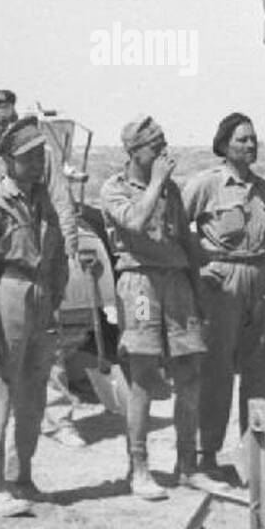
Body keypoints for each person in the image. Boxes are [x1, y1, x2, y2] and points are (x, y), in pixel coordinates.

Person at [0, 89, 88, 448]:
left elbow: (61, 204)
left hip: (41, 268)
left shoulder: (40, 157)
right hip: (5, 276)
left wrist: (69, 251)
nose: (7, 126)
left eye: (11, 120)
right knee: (0, 369)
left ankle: (60, 419)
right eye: (0, 122)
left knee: (51, 350)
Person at [0, 115, 68, 517]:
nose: (39, 162)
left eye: (41, 155)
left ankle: (21, 475)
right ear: (7, 161)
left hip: (40, 298)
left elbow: (58, 257)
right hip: (7, 294)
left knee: (33, 397)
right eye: (29, 156)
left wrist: (56, 296)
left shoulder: (44, 206)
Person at [100, 116, 208, 500]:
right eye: (154, 146)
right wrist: (159, 182)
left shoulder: (171, 191)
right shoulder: (114, 189)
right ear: (133, 152)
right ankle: (139, 467)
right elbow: (133, 221)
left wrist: (198, 294)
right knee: (144, 373)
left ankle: (186, 466)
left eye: (164, 143)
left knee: (191, 369)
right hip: (141, 284)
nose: (164, 152)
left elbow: (185, 242)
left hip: (176, 282)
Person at [182, 113, 265, 485]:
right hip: (219, 286)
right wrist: (199, 270)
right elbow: (178, 227)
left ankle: (252, 456)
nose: (250, 146)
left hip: (258, 283)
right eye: (241, 140)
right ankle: (205, 456)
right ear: (224, 145)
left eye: (253, 139)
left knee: (259, 373)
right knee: (216, 373)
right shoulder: (207, 185)